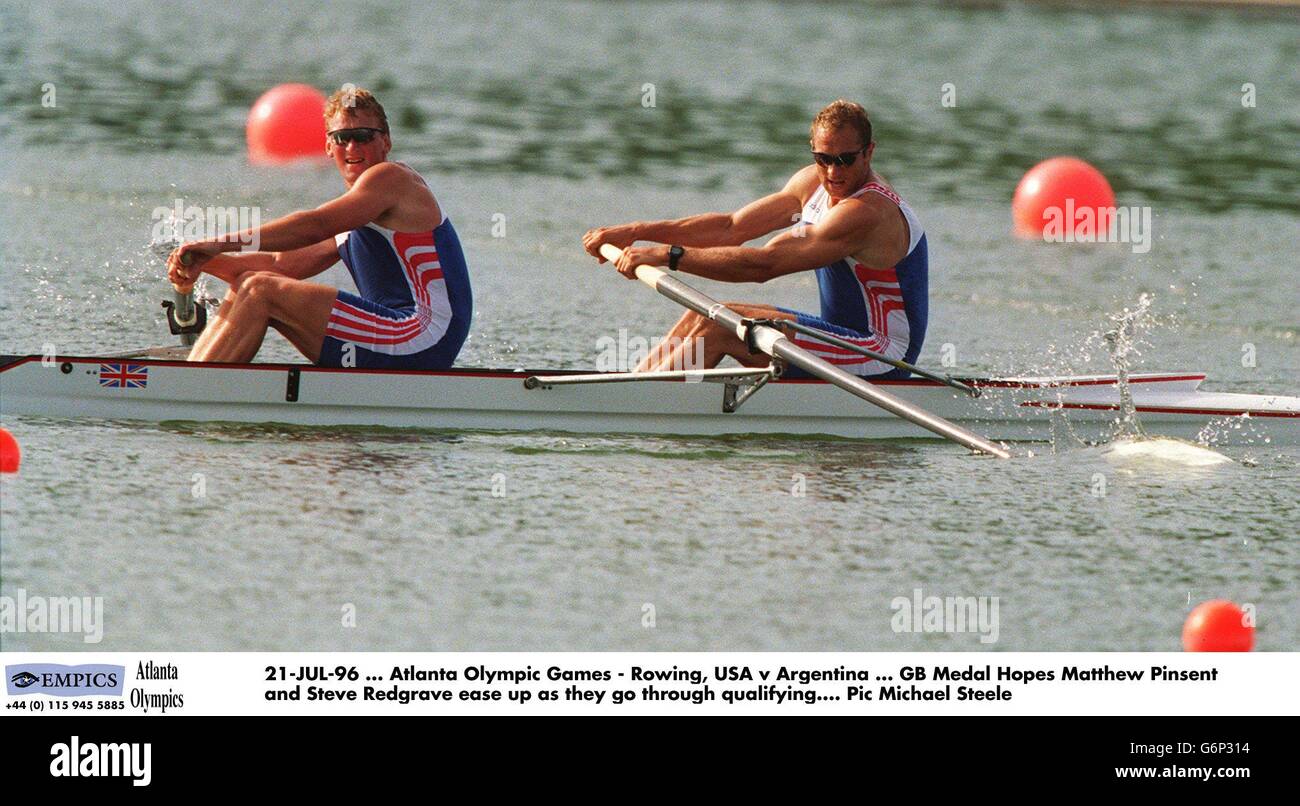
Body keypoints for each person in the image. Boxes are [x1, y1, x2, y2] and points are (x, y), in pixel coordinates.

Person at [582, 99, 926, 378]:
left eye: (845, 160)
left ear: (869, 152)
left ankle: (642, 410)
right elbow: (731, 228)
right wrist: (637, 231)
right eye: (823, 159)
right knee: (702, 316)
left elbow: (765, 265)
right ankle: (635, 388)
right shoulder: (811, 184)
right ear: (813, 153)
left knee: (719, 327)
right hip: (839, 337)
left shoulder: (866, 211)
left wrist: (664, 255)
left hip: (881, 354)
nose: (833, 172)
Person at [168, 87, 472, 368]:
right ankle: (198, 371)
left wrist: (220, 244)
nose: (352, 146)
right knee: (250, 281)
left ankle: (192, 388)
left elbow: (315, 225)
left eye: (364, 135)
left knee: (260, 289)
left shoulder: (392, 179)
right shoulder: (356, 212)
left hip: (423, 336)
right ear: (328, 146)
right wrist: (202, 261)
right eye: (342, 137)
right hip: (404, 337)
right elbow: (278, 264)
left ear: (386, 142)